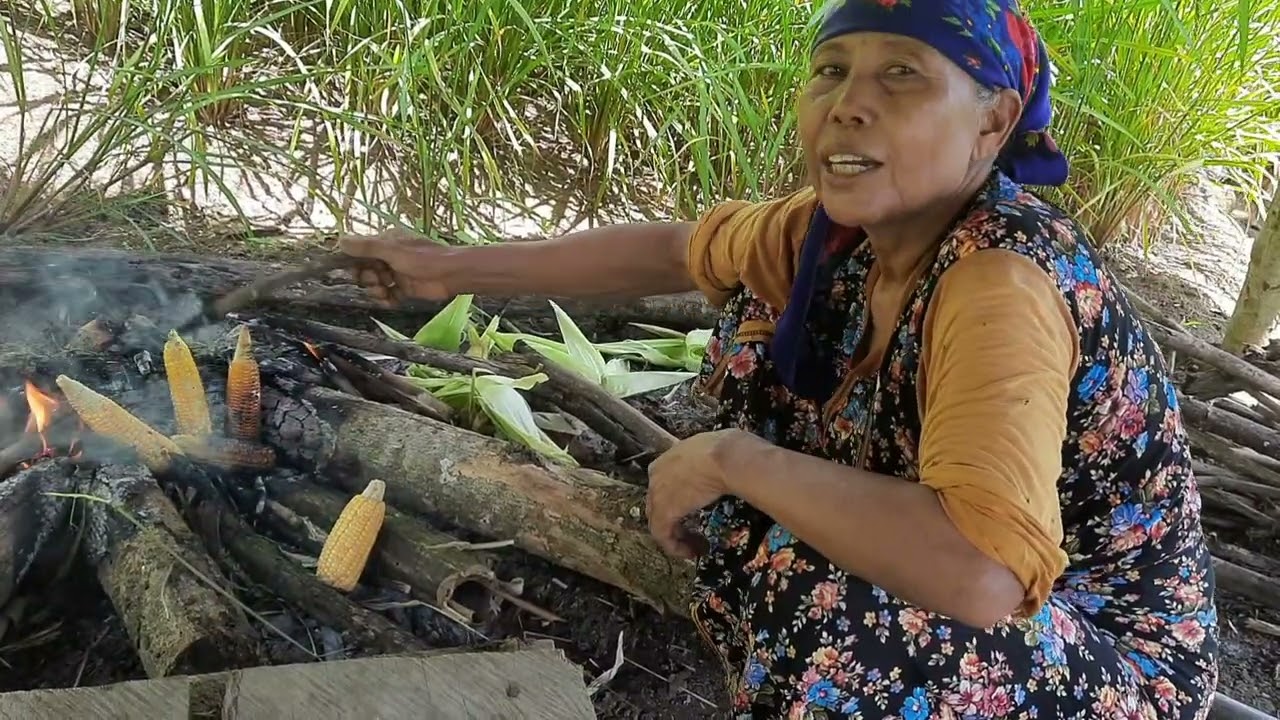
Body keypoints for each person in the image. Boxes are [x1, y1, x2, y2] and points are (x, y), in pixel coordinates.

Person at [339, 0, 1220, 717]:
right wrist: (448, 269)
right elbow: (677, 250)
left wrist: (734, 459)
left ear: (993, 121)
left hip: (1105, 653)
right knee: (766, 373)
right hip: (987, 587)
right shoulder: (840, 234)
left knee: (829, 601)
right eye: (830, 71)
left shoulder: (1000, 281)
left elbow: (984, 575)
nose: (848, 103)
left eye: (902, 74)